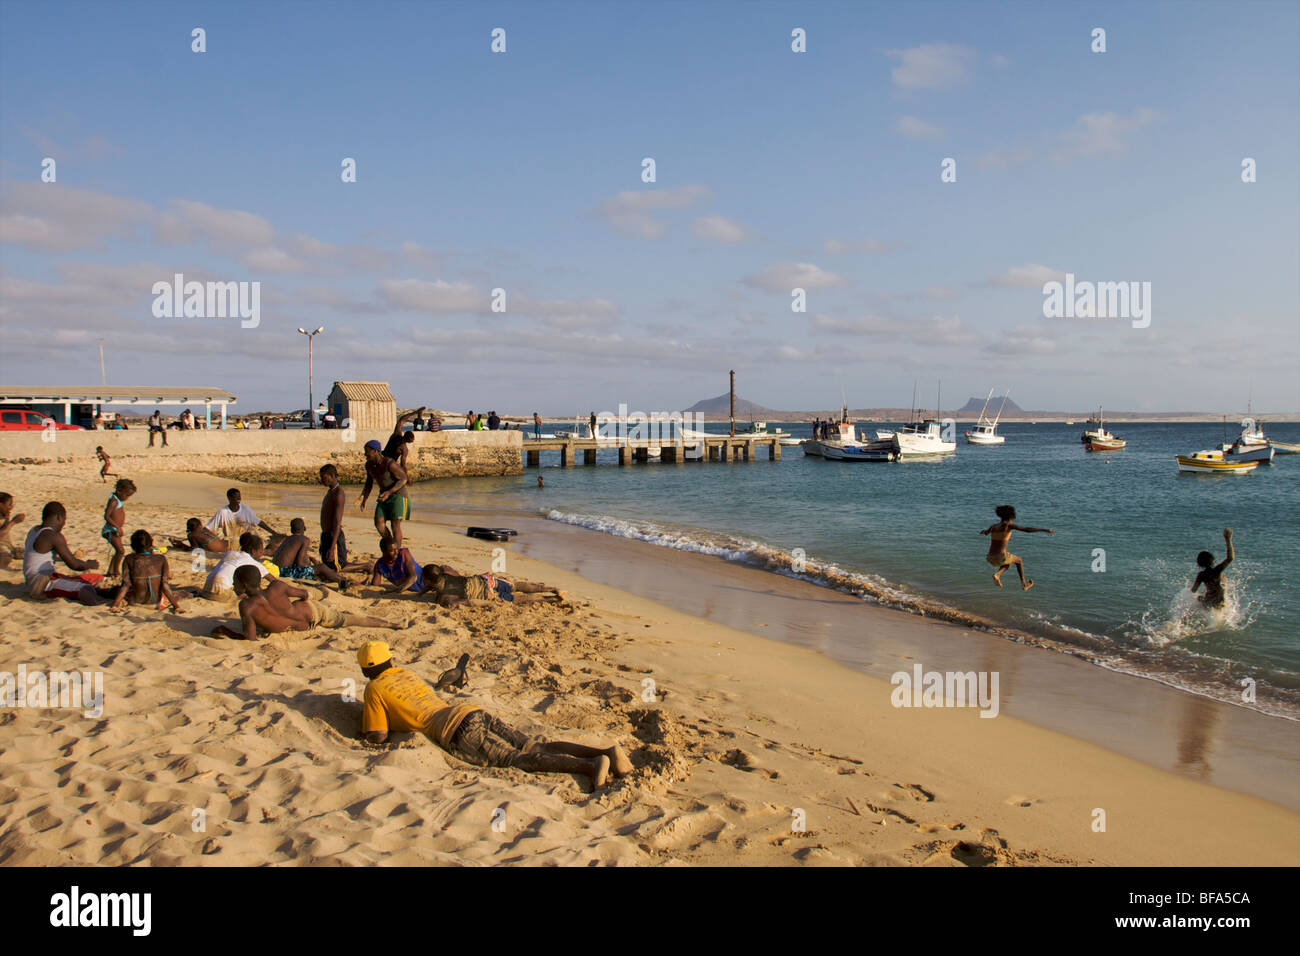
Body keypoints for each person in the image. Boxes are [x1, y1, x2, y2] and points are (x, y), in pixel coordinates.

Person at [355, 642, 631, 788]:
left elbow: (378, 736)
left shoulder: (373, 689)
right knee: (537, 745)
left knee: (519, 759)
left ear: (367, 671)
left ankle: (592, 765)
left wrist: (365, 731)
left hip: (456, 730)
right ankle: (605, 751)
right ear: (391, 661)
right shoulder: (406, 673)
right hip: (469, 710)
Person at [210, 566, 405, 640]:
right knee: (347, 619)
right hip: (310, 613)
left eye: (235, 582)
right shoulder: (277, 587)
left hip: (303, 625)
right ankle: (392, 624)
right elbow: (303, 593)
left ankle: (392, 624)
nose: (233, 585)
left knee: (348, 619)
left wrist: (227, 632)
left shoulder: (246, 607)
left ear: (244, 585)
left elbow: (250, 639)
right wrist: (298, 598)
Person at [23, 501, 106, 604]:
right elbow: (74, 565)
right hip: (41, 584)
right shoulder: (53, 536)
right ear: (59, 518)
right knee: (85, 588)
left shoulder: (34, 530)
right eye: (64, 520)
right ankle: (97, 605)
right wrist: (89, 564)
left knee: (94, 579)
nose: (63, 524)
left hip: (32, 580)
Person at [419, 563, 566, 607]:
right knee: (515, 585)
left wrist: (490, 604)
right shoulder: (447, 572)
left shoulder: (445, 597)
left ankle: (549, 600)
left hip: (485, 594)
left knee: (516, 599)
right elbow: (444, 566)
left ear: (430, 582)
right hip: (483, 580)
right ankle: (552, 589)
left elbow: (467, 602)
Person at [979, 504, 1054, 590]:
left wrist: (983, 532)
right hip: (1000, 556)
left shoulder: (993, 526)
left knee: (1009, 562)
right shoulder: (1008, 525)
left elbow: (985, 532)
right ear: (1011, 517)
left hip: (990, 557)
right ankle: (1023, 584)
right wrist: (1043, 530)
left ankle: (998, 575)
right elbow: (1027, 529)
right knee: (1019, 560)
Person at [110, 530, 183, 613]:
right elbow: (164, 585)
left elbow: (126, 584)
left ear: (132, 546)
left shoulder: (129, 559)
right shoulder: (161, 559)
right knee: (182, 594)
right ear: (151, 543)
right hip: (156, 603)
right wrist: (176, 606)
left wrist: (115, 605)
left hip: (135, 602)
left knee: (114, 590)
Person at [359, 440, 409, 548]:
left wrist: (389, 492)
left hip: (398, 495)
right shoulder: (369, 465)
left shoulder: (389, 463)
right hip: (383, 495)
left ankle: (397, 551)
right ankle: (390, 546)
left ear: (375, 451)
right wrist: (364, 499)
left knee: (395, 524)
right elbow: (369, 483)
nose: (365, 454)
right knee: (379, 523)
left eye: (367, 452)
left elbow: (403, 478)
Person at [273, 518, 349, 588]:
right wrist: (313, 564)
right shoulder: (304, 540)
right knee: (321, 567)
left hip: (277, 569)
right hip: (285, 572)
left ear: (292, 530)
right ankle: (342, 581)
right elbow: (300, 564)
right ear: (305, 528)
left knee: (318, 571)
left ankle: (334, 577)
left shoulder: (287, 539)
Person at [201, 531, 269, 599]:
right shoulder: (254, 563)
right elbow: (272, 580)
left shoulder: (229, 553)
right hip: (222, 593)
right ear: (253, 551)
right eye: (260, 551)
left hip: (206, 589)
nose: (262, 554)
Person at [205, 488, 278, 545]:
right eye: (236, 497)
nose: (239, 499)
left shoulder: (246, 509)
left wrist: (273, 532)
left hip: (247, 540)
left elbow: (259, 522)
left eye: (239, 497)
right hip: (231, 541)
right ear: (229, 498)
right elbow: (207, 528)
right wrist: (217, 539)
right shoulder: (222, 512)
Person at [1192, 528, 1235, 609]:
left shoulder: (1201, 575)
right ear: (1212, 560)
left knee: (1200, 598)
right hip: (1219, 602)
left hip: (1208, 602)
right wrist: (1228, 539)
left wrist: (1199, 596)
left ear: (1199, 563)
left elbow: (1193, 590)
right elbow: (1230, 558)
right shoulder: (1217, 571)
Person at [102, 478, 136, 579]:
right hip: (110, 530)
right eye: (126, 495)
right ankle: (116, 571)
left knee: (119, 551)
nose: (127, 498)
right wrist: (117, 527)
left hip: (115, 530)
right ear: (119, 491)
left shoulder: (118, 500)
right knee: (120, 551)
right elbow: (107, 516)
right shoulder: (113, 501)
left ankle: (111, 571)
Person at [383, 407, 424, 471]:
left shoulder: (397, 434)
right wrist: (406, 477)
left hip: (383, 458)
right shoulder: (404, 449)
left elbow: (402, 420)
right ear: (409, 441)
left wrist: (415, 412)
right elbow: (403, 465)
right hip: (389, 464)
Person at [0, 492, 24, 568]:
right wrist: (13, 522)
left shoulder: (4, 515)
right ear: (1, 505)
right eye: (9, 504)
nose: (11, 507)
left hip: (8, 547)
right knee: (6, 558)